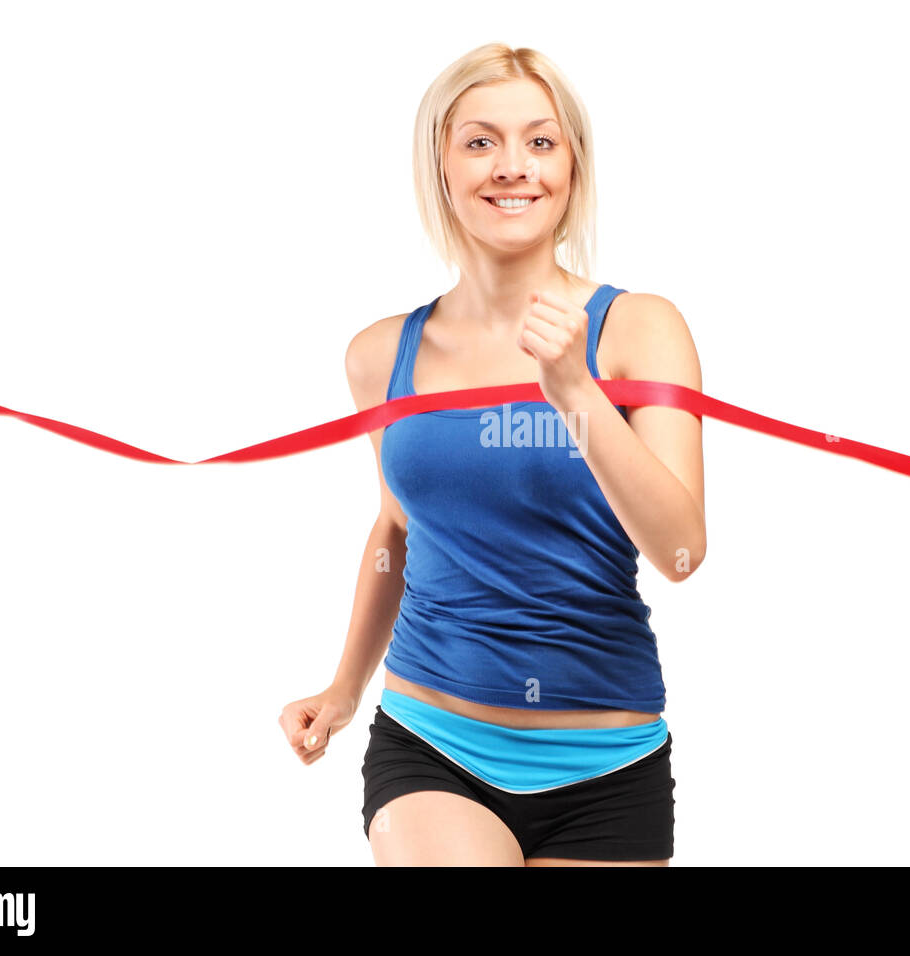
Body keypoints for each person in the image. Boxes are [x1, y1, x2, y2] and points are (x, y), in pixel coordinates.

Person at [278, 42, 705, 866]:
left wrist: (577, 394)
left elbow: (682, 551)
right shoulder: (379, 354)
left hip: (607, 761)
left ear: (572, 167)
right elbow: (396, 531)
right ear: (440, 166)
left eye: (540, 142)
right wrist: (343, 689)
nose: (513, 167)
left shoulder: (641, 329)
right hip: (431, 742)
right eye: (480, 141)